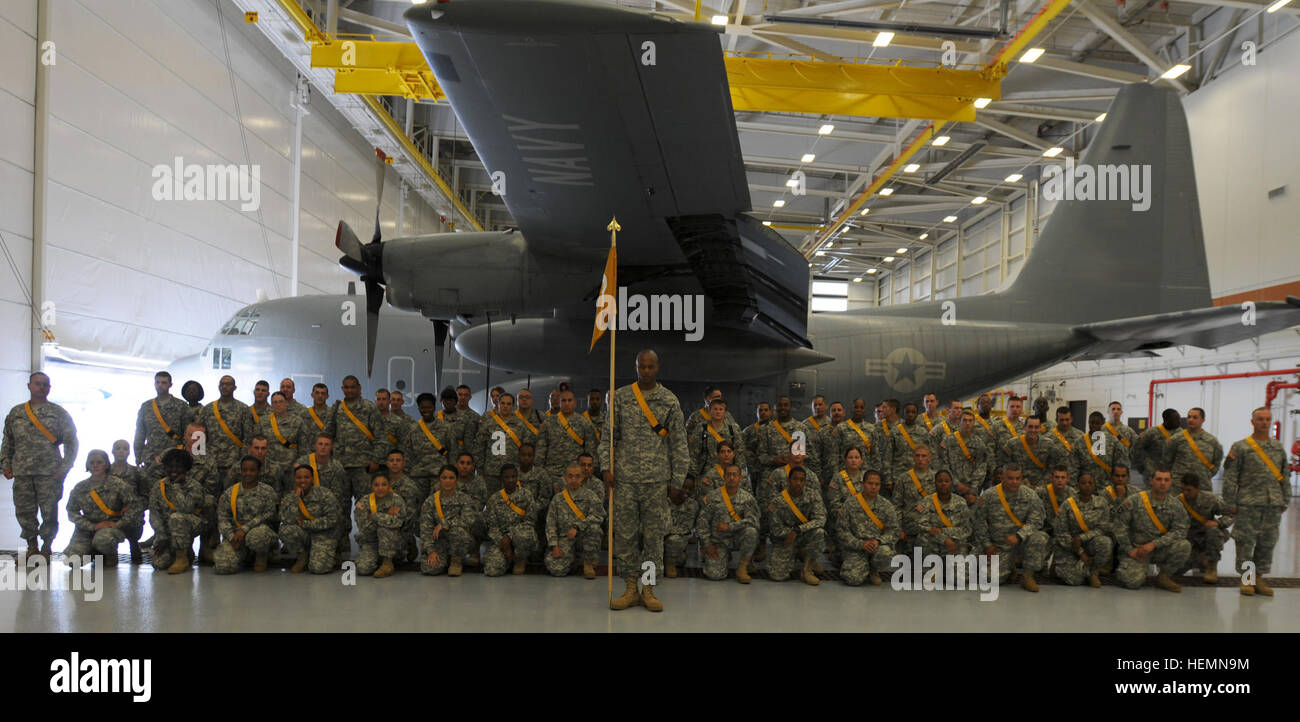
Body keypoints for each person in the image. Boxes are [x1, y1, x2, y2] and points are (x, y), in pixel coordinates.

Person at [598, 349, 689, 612]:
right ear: (636, 368)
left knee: (653, 539)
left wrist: (677, 481)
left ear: (657, 368)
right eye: (641, 367)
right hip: (624, 480)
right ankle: (629, 588)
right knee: (625, 538)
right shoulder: (621, 397)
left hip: (656, 481)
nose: (646, 371)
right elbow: (608, 437)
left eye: (650, 367)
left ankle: (648, 589)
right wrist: (606, 468)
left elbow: (679, 444)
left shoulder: (668, 400)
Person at [2, 371, 78, 558]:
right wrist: (5, 463)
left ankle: (46, 546)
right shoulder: (16, 412)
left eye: (45, 384)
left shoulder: (58, 413)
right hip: (22, 471)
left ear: (49, 388)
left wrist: (64, 467)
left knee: (49, 512)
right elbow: (7, 441)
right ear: (29, 386)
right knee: (24, 511)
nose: (41, 387)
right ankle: (31, 547)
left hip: (49, 472)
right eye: (37, 383)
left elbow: (71, 442)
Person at [1222, 407, 1290, 596]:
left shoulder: (1278, 448)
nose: (1264, 423)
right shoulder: (1241, 447)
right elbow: (1230, 477)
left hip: (1272, 503)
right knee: (1245, 542)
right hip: (1248, 503)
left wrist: (1285, 499)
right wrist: (1230, 502)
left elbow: (1284, 474)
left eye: (1268, 420)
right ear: (1252, 422)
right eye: (1260, 419)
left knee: (1267, 542)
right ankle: (1247, 578)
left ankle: (1259, 577)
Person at [972, 464, 1048, 592]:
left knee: (1040, 537)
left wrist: (1019, 536)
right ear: (1002, 477)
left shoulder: (1030, 495)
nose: (1014, 482)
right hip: (999, 545)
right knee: (990, 579)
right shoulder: (989, 495)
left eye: (1018, 478)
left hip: (1022, 543)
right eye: (1010, 478)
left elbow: (1036, 521)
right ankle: (1009, 567)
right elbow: (979, 522)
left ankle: (1027, 576)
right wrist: (987, 545)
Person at [1112, 467, 1190, 592]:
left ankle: (1163, 577)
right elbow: (1119, 525)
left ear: (1171, 482)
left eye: (1166, 480)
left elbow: (1180, 531)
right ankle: (1132, 568)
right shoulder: (1135, 500)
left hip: (1159, 549)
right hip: (1136, 551)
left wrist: (1154, 544)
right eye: (1159, 479)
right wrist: (1130, 550)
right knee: (1132, 582)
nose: (1163, 483)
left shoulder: (1176, 506)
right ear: (1151, 481)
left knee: (1184, 546)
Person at [62, 450, 141, 566]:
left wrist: (118, 524)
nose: (95, 465)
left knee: (103, 541)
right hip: (88, 528)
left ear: (106, 465)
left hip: (110, 527)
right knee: (71, 561)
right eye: (92, 462)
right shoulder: (80, 487)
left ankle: (110, 554)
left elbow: (135, 506)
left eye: (99, 462)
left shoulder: (118, 484)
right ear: (87, 465)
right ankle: (95, 552)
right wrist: (92, 526)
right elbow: (71, 511)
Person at [326, 375, 384, 517]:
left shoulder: (369, 407)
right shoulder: (336, 408)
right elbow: (328, 435)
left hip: (363, 466)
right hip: (341, 465)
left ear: (359, 388)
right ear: (342, 389)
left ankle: (366, 537)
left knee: (365, 505)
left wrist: (375, 460)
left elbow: (381, 438)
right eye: (346, 387)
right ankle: (342, 537)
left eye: (353, 387)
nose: (349, 390)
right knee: (339, 505)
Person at [214, 455, 279, 574]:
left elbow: (270, 514)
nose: (248, 473)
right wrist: (230, 536)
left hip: (258, 533)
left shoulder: (267, 491)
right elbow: (223, 517)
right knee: (222, 566)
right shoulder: (230, 492)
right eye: (244, 470)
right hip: (235, 536)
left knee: (258, 535)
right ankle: (243, 557)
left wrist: (244, 529)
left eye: (252, 470)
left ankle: (261, 556)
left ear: (259, 472)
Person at [149, 448, 208, 574]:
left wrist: (176, 487)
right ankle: (183, 551)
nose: (174, 470)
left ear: (186, 468)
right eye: (170, 466)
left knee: (176, 517)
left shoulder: (194, 486)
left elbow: (185, 508)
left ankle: (182, 558)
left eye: (179, 466)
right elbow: (154, 514)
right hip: (167, 531)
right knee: (159, 564)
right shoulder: (158, 486)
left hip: (190, 524)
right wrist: (162, 536)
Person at [836, 469, 898, 587]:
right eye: (870, 483)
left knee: (886, 553)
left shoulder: (886, 505)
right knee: (853, 578)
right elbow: (841, 531)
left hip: (876, 547)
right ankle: (858, 566)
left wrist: (878, 541)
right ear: (863, 484)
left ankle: (873, 569)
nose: (873, 487)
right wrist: (860, 544)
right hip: (856, 548)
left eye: (877, 484)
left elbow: (893, 530)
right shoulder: (850, 504)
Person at [698, 464, 759, 583]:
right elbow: (702, 522)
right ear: (724, 477)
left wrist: (730, 526)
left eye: (735, 475)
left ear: (740, 478)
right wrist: (707, 544)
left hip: (737, 538)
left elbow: (753, 521)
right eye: (729, 475)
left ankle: (742, 567)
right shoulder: (713, 496)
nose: (731, 478)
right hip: (718, 541)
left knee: (752, 532)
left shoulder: (747, 498)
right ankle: (723, 556)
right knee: (715, 575)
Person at [1050, 471, 1112, 587]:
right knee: (1075, 580)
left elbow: (1103, 528)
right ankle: (1060, 567)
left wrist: (1082, 538)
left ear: (1094, 485)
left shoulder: (1101, 503)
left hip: (1090, 543)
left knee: (1105, 542)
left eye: (1090, 483)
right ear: (1078, 485)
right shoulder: (1068, 505)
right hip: (1069, 546)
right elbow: (1060, 532)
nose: (1087, 486)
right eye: (1083, 483)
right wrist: (1080, 552)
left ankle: (1093, 573)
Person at [767, 467, 826, 585]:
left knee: (819, 532)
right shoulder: (778, 501)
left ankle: (807, 569)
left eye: (801, 480)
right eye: (795, 479)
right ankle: (799, 554)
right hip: (786, 540)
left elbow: (820, 519)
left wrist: (797, 530)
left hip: (804, 536)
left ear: (805, 482)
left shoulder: (813, 496)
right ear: (788, 480)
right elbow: (775, 529)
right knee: (777, 575)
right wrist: (790, 533)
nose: (798, 482)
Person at [294, 434, 350, 562]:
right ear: (315, 446)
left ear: (331, 447)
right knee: (288, 529)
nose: (323, 447)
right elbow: (295, 489)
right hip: (306, 509)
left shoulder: (337, 468)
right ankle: (302, 553)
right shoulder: (303, 462)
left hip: (326, 511)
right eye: (320, 444)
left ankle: (331, 545)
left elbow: (338, 498)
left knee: (319, 566)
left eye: (326, 444)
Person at [545, 463, 606, 578]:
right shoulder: (557, 499)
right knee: (556, 570)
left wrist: (578, 527)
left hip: (584, 537)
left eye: (577, 476)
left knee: (594, 528)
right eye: (570, 476)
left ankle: (588, 563)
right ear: (565, 478)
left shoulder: (590, 496)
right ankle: (573, 561)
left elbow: (599, 516)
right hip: (565, 539)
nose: (573, 479)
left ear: (582, 477)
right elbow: (550, 524)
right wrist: (554, 545)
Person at [279, 464, 341, 574]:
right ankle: (302, 556)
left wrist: (305, 524)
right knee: (285, 530)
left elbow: (332, 520)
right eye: (299, 477)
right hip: (305, 534)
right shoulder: (291, 496)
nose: (302, 480)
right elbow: (285, 519)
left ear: (312, 478)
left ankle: (328, 553)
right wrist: (295, 499)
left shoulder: (325, 494)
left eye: (306, 477)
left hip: (324, 534)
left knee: (318, 569)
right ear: (294, 479)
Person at [419, 465, 480, 576]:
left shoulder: (465, 499)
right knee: (429, 569)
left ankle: (456, 561)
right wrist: (431, 551)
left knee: (457, 531)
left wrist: (445, 524)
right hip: (440, 541)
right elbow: (425, 528)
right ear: (439, 480)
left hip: (460, 540)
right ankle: (445, 558)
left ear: (456, 480)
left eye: (451, 478)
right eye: (444, 478)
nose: (447, 481)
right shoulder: (430, 501)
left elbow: (468, 520)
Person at [133, 370, 192, 478]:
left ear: (170, 385)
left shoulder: (181, 406)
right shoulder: (146, 406)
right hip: (151, 458)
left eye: (164, 382)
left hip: (174, 459)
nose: (160, 385)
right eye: (157, 382)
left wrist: (183, 456)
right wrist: (138, 457)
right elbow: (140, 434)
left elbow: (187, 433)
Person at [1175, 473, 1232, 584]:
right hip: (1189, 540)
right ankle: (1200, 560)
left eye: (1189, 490)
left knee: (1213, 532)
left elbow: (1230, 514)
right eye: (1183, 490)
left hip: (1207, 536)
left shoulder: (1210, 499)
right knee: (1174, 571)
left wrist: (1218, 523)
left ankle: (1211, 566)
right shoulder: (1178, 501)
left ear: (1198, 489)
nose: (1185, 493)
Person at [482, 465, 538, 576]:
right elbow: (492, 527)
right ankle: (507, 560)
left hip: (521, 537)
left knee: (525, 535)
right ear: (501, 479)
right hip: (502, 541)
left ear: (517, 477)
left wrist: (510, 536)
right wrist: (503, 544)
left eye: (513, 476)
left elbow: (530, 521)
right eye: (507, 477)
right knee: (491, 570)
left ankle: (520, 560)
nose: (510, 480)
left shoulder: (526, 495)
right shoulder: (494, 499)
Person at [354, 473, 410, 578]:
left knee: (384, 529)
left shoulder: (396, 500)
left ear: (389, 486)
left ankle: (387, 563)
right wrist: (387, 517)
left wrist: (375, 516)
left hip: (392, 541)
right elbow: (363, 527)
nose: (380, 488)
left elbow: (398, 523)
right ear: (371, 486)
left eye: (384, 485)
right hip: (371, 541)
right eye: (376, 485)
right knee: (363, 569)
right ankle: (377, 557)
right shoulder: (363, 503)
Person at [197, 375, 253, 480]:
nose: (224, 387)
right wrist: (201, 461)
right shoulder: (208, 409)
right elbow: (199, 436)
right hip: (210, 462)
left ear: (234, 387)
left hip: (233, 463)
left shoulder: (243, 409)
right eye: (222, 384)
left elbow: (248, 438)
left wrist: (241, 463)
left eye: (228, 384)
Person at [907, 470, 972, 559]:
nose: (943, 484)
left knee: (961, 571)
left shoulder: (961, 503)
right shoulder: (925, 503)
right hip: (932, 546)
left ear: (951, 483)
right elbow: (921, 525)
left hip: (955, 545)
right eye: (940, 481)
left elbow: (966, 529)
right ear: (935, 483)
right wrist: (943, 539)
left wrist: (942, 531)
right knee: (923, 538)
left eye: (946, 481)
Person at [536, 390, 598, 483]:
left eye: (569, 400)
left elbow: (590, 450)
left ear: (575, 402)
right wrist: (539, 471)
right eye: (564, 401)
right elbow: (541, 449)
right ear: (559, 402)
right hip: (552, 473)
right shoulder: (548, 423)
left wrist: (588, 472)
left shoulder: (584, 423)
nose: (567, 403)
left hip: (575, 474)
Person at [474, 393, 530, 488]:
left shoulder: (520, 425)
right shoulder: (488, 424)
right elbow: (479, 448)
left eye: (509, 404)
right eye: (503, 403)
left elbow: (526, 449)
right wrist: (480, 471)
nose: (505, 406)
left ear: (513, 406)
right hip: (491, 472)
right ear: (498, 404)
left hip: (512, 473)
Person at [1164, 407, 1223, 491]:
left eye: (1195, 417)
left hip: (1202, 486)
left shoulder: (1212, 441)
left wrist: (1205, 474)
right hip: (1178, 487)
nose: (1191, 420)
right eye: (1189, 417)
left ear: (1203, 420)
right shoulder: (1176, 439)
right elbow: (1167, 461)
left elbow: (1216, 463)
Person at [688, 396, 744, 481]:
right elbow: (694, 454)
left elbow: (739, 453)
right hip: (706, 474)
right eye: (715, 409)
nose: (718, 412)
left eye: (721, 409)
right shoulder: (702, 428)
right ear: (710, 411)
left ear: (725, 412)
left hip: (729, 474)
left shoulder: (733, 429)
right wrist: (693, 476)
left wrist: (739, 473)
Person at [938, 410, 990, 502]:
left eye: (970, 421)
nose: (967, 423)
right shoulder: (948, 440)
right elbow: (944, 464)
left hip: (971, 490)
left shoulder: (979, 443)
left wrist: (972, 489)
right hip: (951, 488)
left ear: (974, 423)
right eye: (965, 420)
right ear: (959, 421)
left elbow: (981, 467)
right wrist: (956, 483)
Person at [259, 391, 307, 490]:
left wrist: (300, 465)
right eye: (275, 402)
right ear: (271, 405)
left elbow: (304, 446)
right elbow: (256, 444)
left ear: (286, 403)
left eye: (281, 401)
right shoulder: (263, 421)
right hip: (269, 469)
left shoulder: (297, 421)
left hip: (291, 468)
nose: (278, 405)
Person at [1000, 417, 1063, 489]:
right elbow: (1005, 465)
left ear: (1040, 428)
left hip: (1043, 486)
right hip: (1017, 485)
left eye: (1036, 427)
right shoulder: (1012, 444)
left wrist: (1041, 484)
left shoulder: (1049, 444)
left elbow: (1055, 466)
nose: (1033, 430)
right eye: (1030, 427)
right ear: (1024, 427)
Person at [110, 439, 147, 562]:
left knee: (134, 522)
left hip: (131, 513)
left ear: (129, 452)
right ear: (112, 451)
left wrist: (133, 508)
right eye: (118, 448)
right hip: (109, 512)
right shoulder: (105, 471)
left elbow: (145, 496)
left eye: (125, 448)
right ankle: (109, 551)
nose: (121, 451)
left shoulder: (137, 472)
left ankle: (134, 543)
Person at [1081, 411, 1130, 489]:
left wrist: (1122, 485)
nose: (1094, 426)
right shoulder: (1080, 442)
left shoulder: (1113, 441)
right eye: (1091, 423)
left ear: (1103, 423)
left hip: (1107, 487)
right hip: (1086, 487)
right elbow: (1074, 466)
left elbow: (1122, 464)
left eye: (1097, 423)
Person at [1135, 408, 1180, 482]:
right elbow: (1137, 449)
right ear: (1166, 419)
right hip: (1153, 474)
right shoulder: (1151, 433)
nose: (1179, 421)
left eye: (1178, 418)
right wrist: (1142, 468)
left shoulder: (1180, 433)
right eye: (1175, 419)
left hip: (1173, 475)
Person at [1045, 407, 1087, 483]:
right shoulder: (1048, 438)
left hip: (1074, 481)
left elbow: (1084, 459)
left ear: (1071, 419)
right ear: (1056, 420)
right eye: (1061, 420)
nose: (1064, 423)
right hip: (1055, 481)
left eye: (1067, 420)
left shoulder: (1081, 436)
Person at [664, 485, 699, 578]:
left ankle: (670, 564)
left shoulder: (692, 505)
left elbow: (686, 528)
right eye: (684, 487)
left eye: (690, 489)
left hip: (675, 539)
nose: (687, 491)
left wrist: (667, 532)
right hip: (660, 538)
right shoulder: (663, 501)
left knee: (675, 539)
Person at [741, 402, 771, 474]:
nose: (763, 412)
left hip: (771, 469)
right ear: (756, 413)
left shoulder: (776, 429)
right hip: (753, 469)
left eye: (766, 410)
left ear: (771, 412)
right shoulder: (748, 430)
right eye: (760, 410)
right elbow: (741, 448)